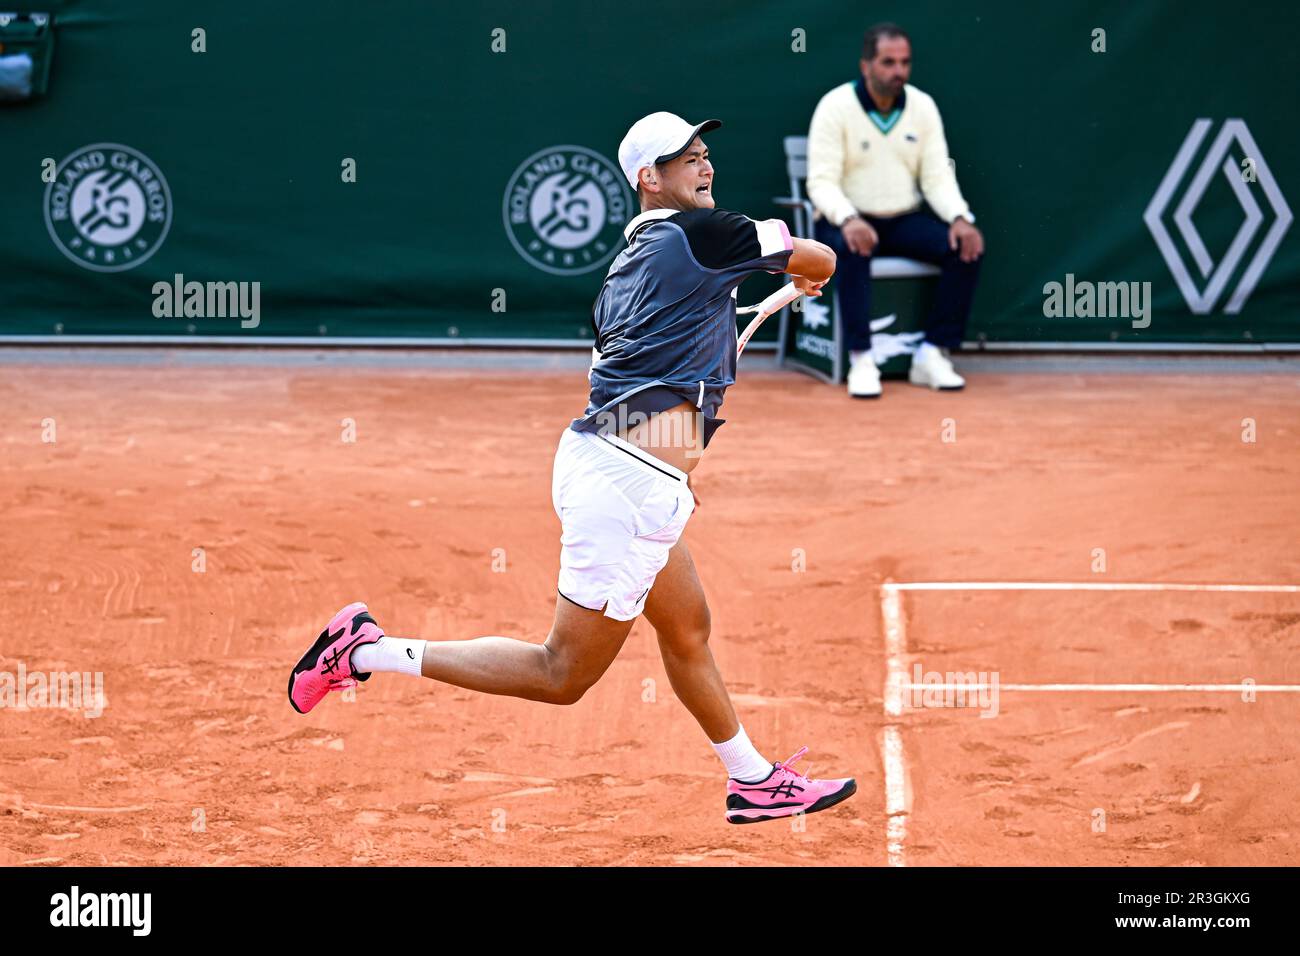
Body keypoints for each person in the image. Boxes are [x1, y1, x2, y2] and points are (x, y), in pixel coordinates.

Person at [288, 112, 858, 825]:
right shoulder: (710, 235)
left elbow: (634, 383)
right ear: (649, 179)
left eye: (706, 153)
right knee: (562, 674)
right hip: (623, 483)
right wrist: (804, 276)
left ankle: (753, 780)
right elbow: (825, 259)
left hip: (626, 473)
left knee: (687, 628)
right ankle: (367, 651)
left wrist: (670, 477)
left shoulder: (626, 269)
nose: (704, 166)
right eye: (686, 160)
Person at [807, 22, 985, 398]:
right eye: (888, 62)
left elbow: (937, 177)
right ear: (866, 65)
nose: (898, 71)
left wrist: (960, 217)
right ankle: (861, 358)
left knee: (965, 248)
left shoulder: (922, 106)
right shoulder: (835, 106)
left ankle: (932, 353)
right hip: (847, 221)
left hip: (902, 219)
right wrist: (849, 218)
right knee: (852, 247)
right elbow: (820, 182)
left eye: (904, 62)